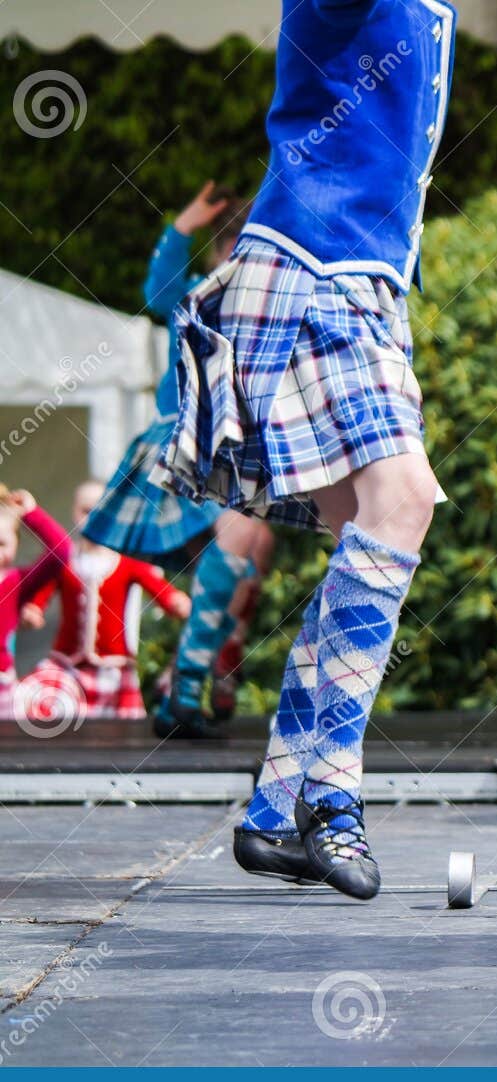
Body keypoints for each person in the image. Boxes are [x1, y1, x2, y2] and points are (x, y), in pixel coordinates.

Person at [151, 0, 455, 901]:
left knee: (371, 537)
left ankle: (275, 807)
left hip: (364, 283)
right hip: (316, 269)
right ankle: (332, 793)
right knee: (405, 502)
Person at [83, 182, 276, 740]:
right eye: (238, 250)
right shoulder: (193, 296)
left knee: (255, 547)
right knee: (243, 535)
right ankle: (187, 685)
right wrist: (183, 225)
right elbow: (158, 289)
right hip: (184, 446)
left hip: (232, 451)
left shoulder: (265, 309)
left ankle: (197, 675)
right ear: (223, 251)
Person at [23, 482, 191, 722]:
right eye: (86, 511)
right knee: (36, 701)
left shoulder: (127, 562)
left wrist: (173, 601)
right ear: (74, 512)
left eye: (101, 511)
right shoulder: (65, 560)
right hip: (67, 664)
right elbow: (42, 593)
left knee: (117, 727)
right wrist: (33, 610)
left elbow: (157, 587)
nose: (93, 519)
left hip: (113, 667)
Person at [0, 487, 72, 724]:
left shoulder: (16, 582)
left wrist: (31, 514)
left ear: (16, 544)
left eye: (1, 543)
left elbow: (61, 550)